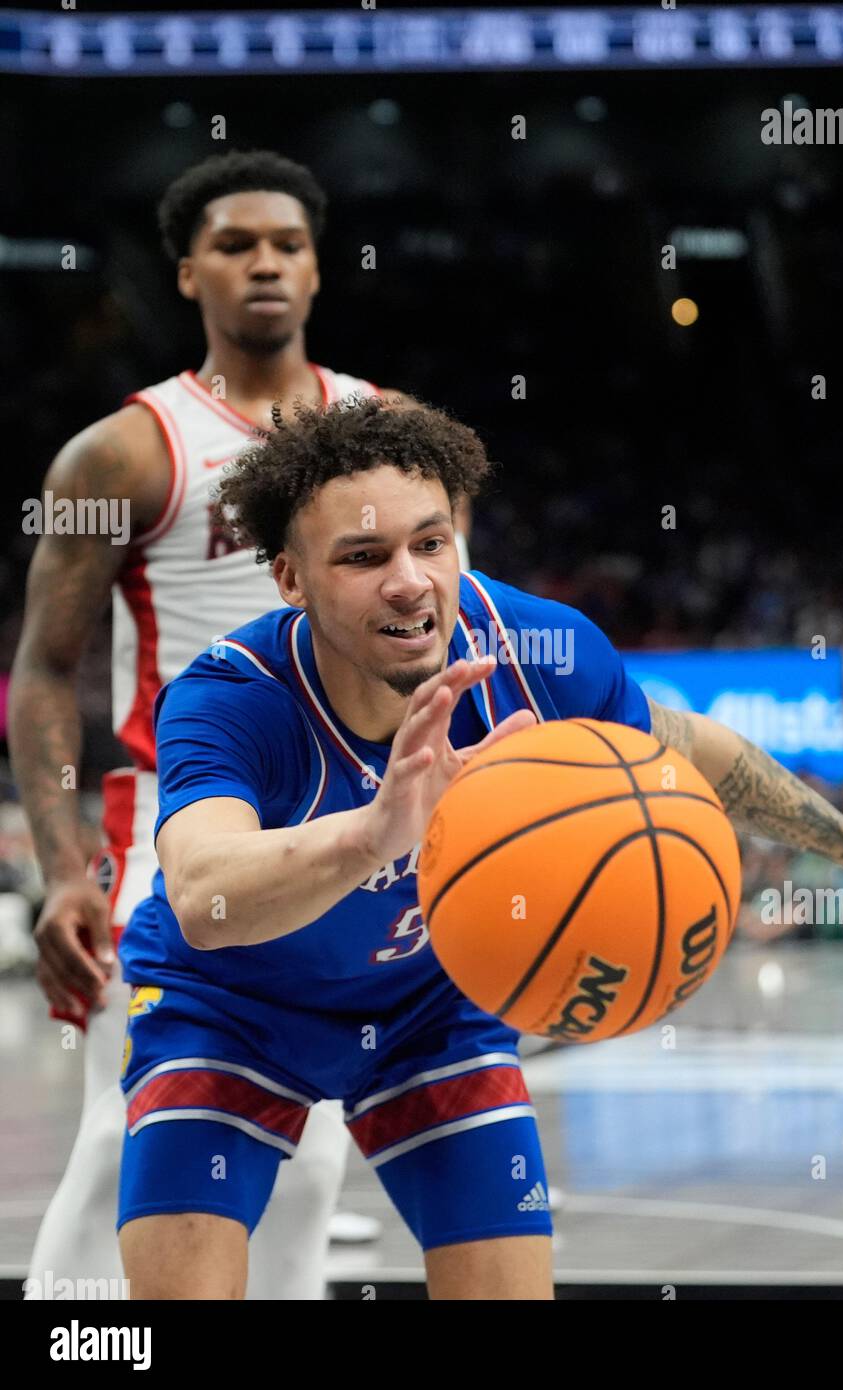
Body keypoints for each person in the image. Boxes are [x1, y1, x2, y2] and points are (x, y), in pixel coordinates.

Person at [115, 399, 843, 1298]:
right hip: (228, 1011)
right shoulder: (230, 696)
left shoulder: (532, 648)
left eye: (430, 543)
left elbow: (687, 745)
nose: (409, 580)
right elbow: (203, 894)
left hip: (426, 1015)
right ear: (289, 579)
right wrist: (375, 831)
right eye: (363, 556)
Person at [9, 148, 426, 1299]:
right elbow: (43, 672)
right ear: (187, 271)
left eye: (287, 244)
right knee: (138, 1134)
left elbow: (442, 642)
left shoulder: (390, 432)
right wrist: (63, 867)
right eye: (235, 245)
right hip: (180, 831)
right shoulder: (127, 450)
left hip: (352, 835)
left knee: (303, 1163)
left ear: (318, 268)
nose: (265, 265)